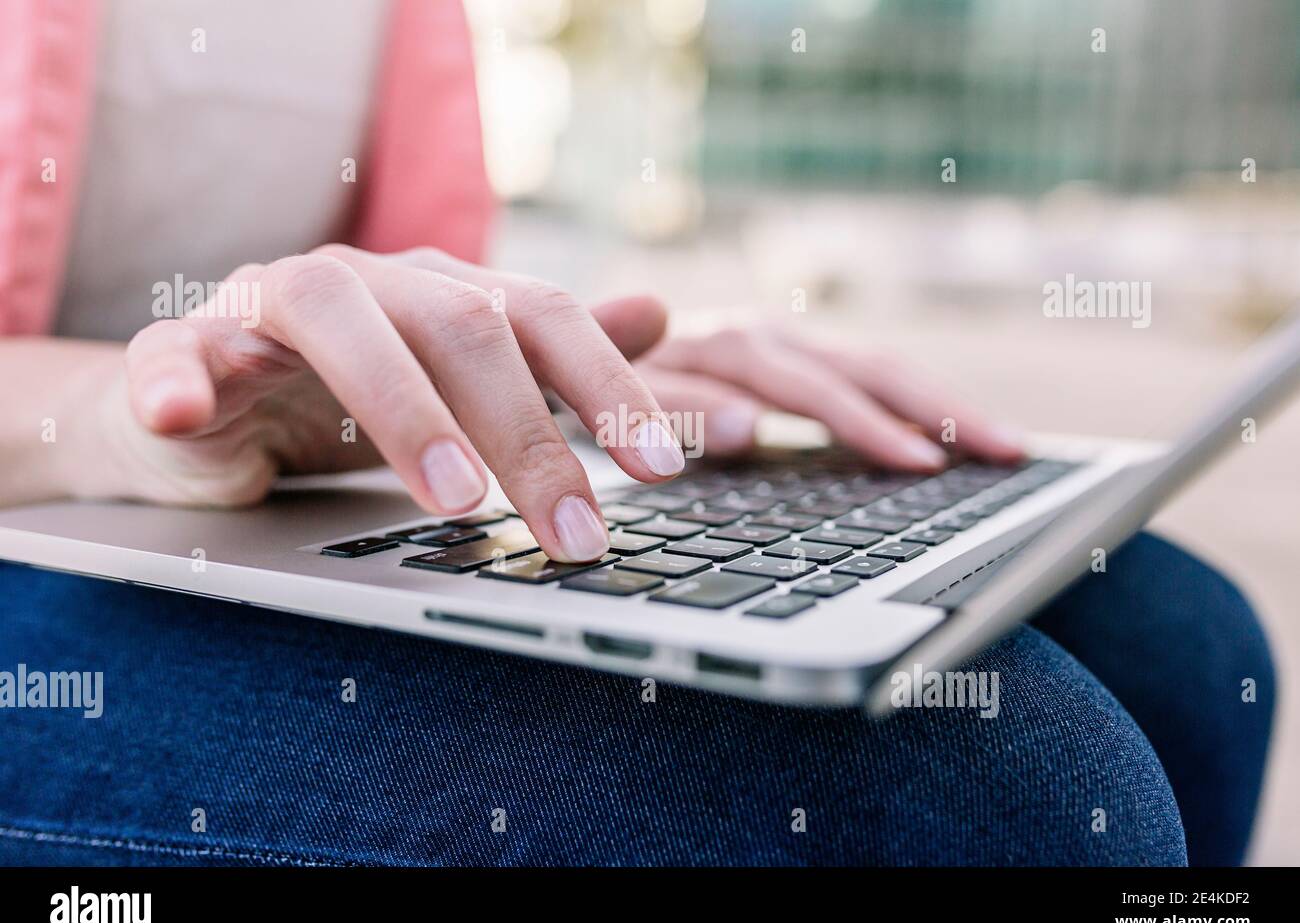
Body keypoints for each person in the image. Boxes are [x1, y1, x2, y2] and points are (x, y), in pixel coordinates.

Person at [0, 0, 1273, 866]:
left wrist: (574, 356)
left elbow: (402, 273)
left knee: (1179, 633)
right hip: (41, 506)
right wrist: (111, 413)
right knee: (989, 787)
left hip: (298, 494)